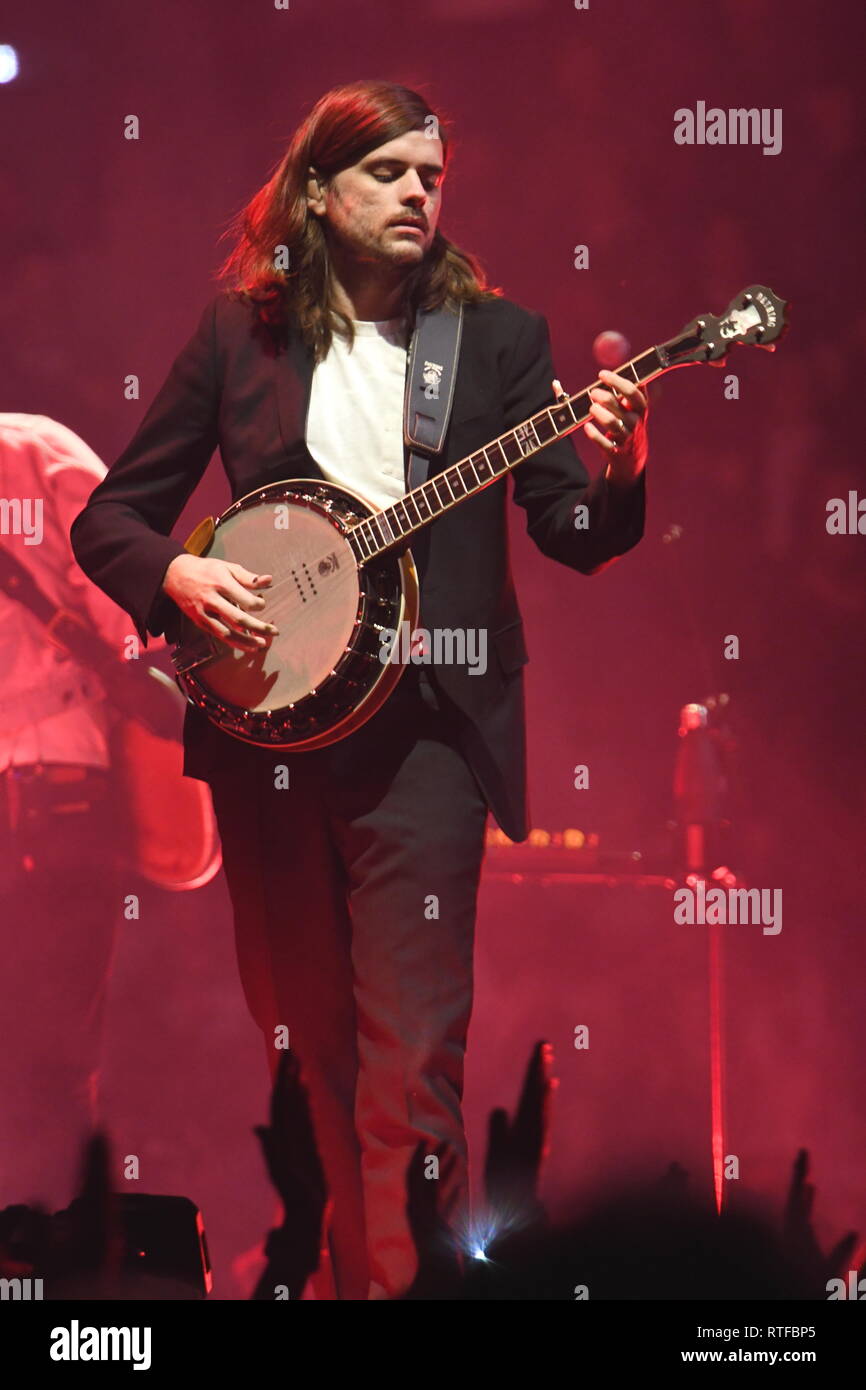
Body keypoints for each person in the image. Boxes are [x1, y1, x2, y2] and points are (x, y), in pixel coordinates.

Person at [70, 80, 649, 1300]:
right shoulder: (242, 333)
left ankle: (407, 1293)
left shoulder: (495, 341)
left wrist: (621, 462)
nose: (418, 194)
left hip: (427, 735)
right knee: (312, 1059)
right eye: (388, 173)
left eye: (433, 175)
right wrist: (178, 572)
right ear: (317, 192)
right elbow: (108, 518)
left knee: (411, 1056)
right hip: (263, 728)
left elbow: (573, 528)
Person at [0, 414, 155, 1213]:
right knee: (53, 1068)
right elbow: (131, 628)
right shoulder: (39, 451)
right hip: (59, 790)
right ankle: (58, 1270)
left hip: (38, 792)